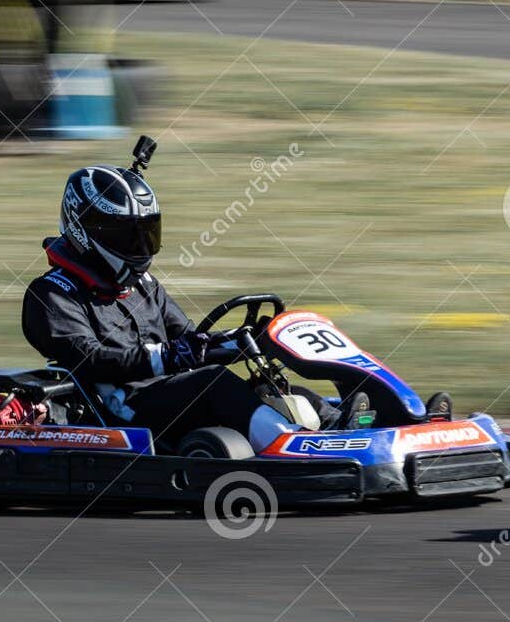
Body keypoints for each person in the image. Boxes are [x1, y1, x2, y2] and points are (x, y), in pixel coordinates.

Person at [21, 164, 348, 451]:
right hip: (124, 409)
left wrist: (244, 340)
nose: (140, 246)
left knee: (269, 387)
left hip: (172, 395)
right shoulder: (51, 294)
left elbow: (191, 340)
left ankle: (343, 426)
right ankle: (296, 446)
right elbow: (92, 360)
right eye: (127, 236)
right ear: (86, 231)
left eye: (145, 234)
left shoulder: (142, 284)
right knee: (214, 383)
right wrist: (170, 356)